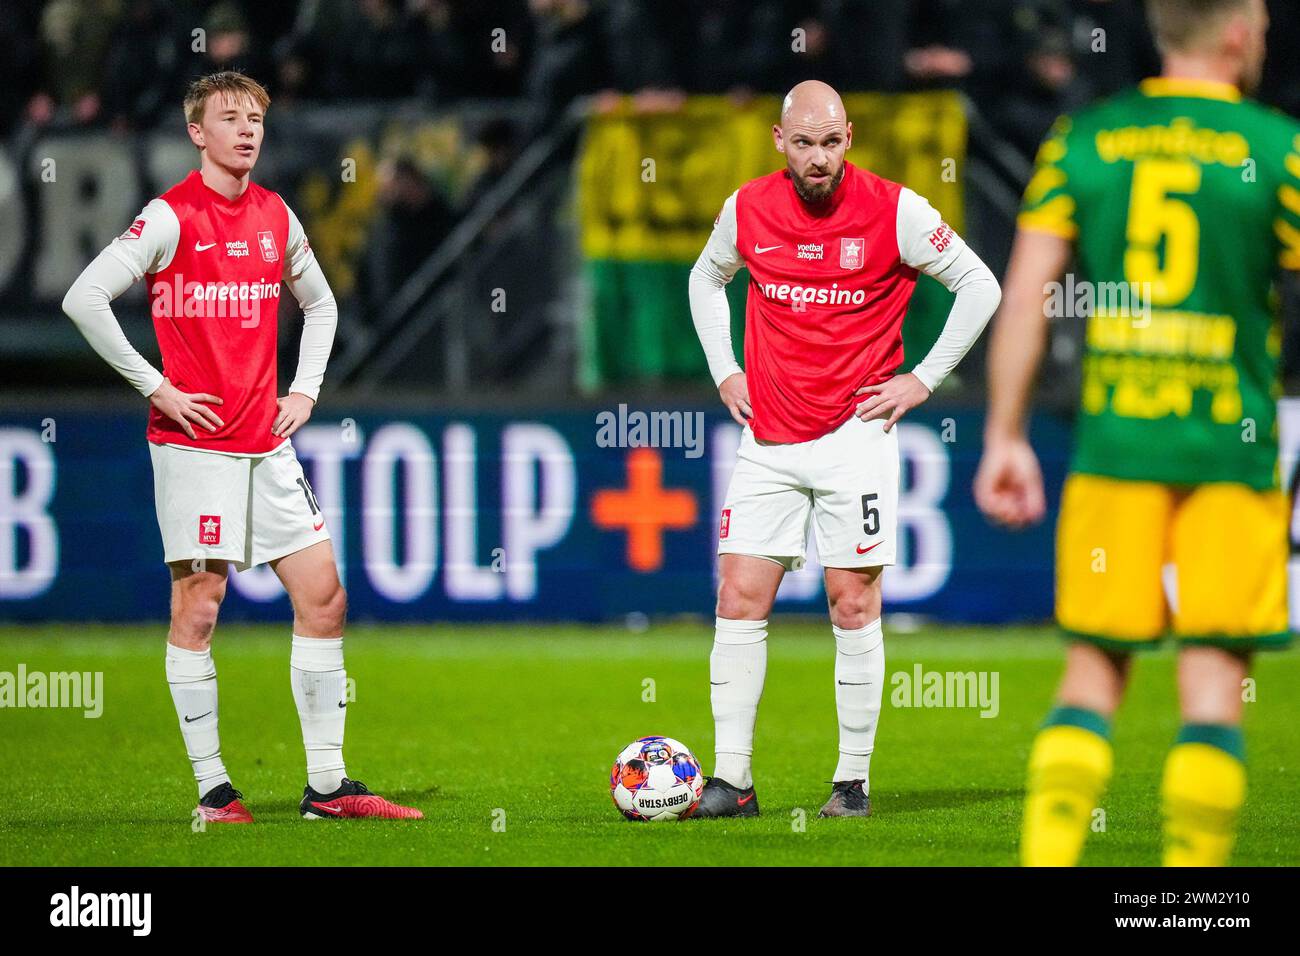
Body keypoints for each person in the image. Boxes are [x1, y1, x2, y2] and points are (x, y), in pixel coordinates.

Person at [974, 0, 1298, 865]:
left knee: (1092, 677)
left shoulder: (1086, 140)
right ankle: (1189, 903)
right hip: (1231, 456)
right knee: (1214, 685)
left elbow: (1027, 296)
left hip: (1115, 450)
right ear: (1236, 34)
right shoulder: (1278, 150)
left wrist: (1005, 433)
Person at [62, 71, 422, 823]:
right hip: (196, 448)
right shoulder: (170, 217)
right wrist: (154, 386)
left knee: (324, 597)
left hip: (267, 441)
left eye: (255, 117)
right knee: (200, 606)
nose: (248, 129)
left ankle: (328, 788)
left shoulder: (275, 215)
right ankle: (215, 793)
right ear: (198, 133)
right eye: (230, 118)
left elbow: (320, 304)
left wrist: (306, 390)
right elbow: (84, 298)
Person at [687, 79, 1001, 818]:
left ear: (849, 137)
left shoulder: (896, 211)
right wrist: (725, 368)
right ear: (779, 141)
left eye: (831, 142)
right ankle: (733, 782)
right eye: (804, 143)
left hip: (853, 437)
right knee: (738, 597)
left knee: (852, 601)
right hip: (767, 437)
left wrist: (923, 379)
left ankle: (851, 783)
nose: (818, 157)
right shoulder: (748, 208)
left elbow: (979, 286)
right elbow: (706, 278)